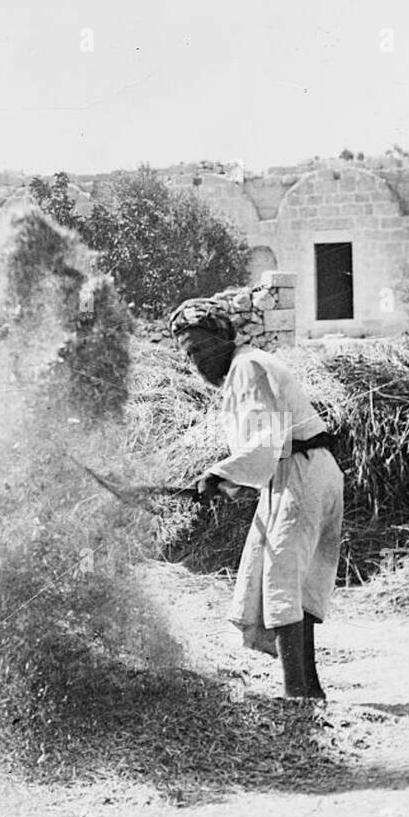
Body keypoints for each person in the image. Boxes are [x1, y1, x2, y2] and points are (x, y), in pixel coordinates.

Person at [168, 297, 344, 701]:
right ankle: (309, 689)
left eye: (197, 349)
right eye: (187, 355)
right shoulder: (247, 366)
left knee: (282, 580)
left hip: (299, 470)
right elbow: (265, 448)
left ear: (220, 337)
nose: (195, 362)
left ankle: (296, 692)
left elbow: (266, 442)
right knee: (293, 583)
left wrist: (218, 473)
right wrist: (228, 482)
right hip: (308, 469)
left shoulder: (247, 368)